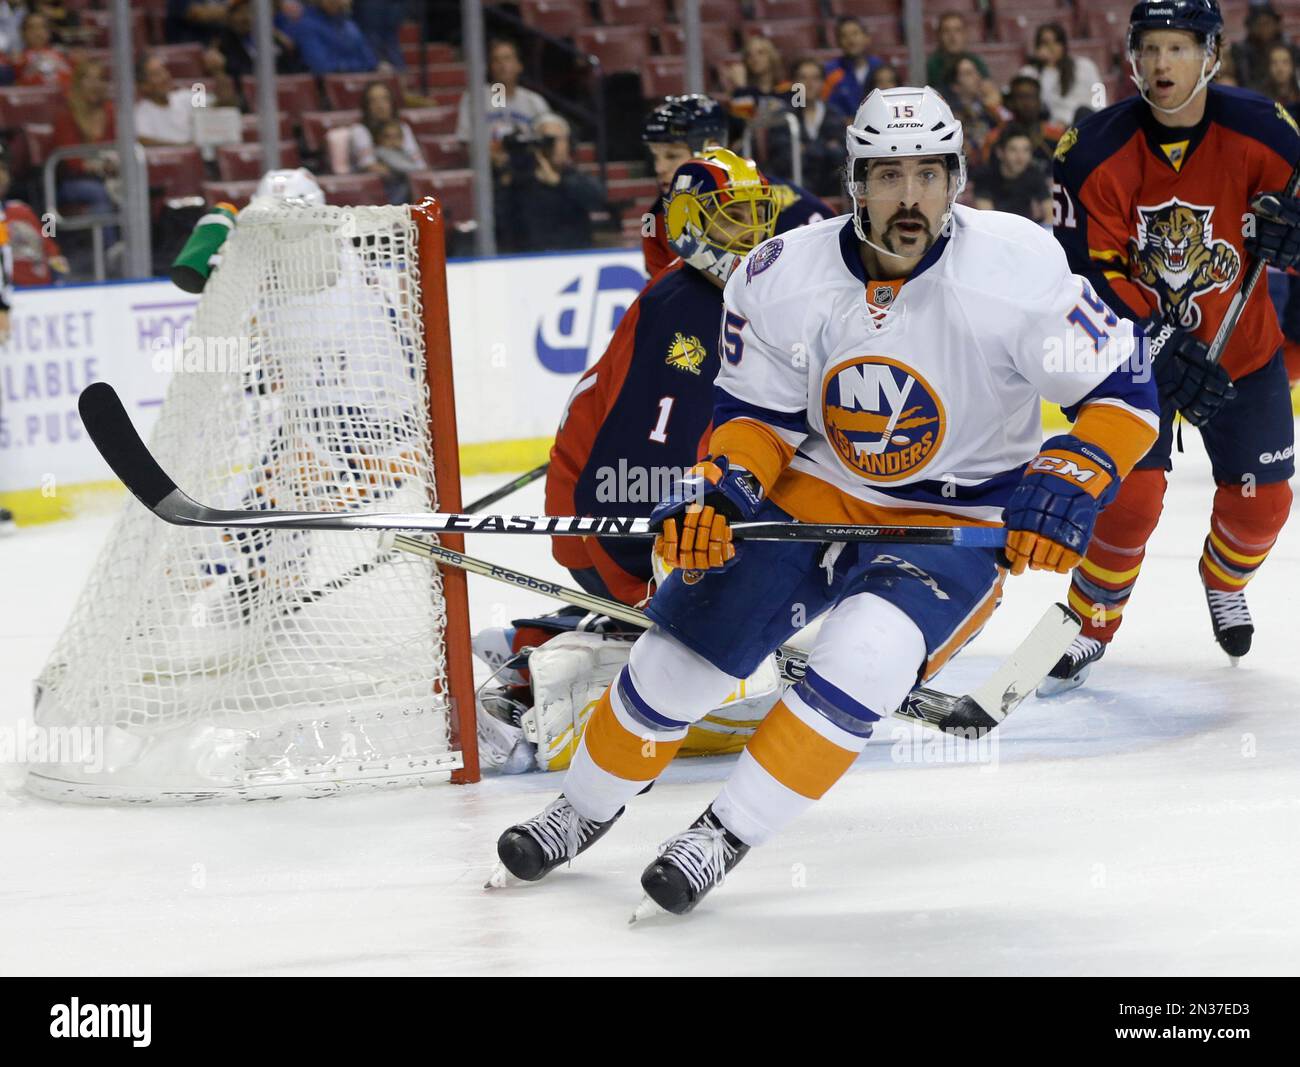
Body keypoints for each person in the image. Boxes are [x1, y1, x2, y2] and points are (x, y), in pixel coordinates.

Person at [490, 85, 1159, 915]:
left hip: (957, 512)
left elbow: (1124, 393)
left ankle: (722, 833)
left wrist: (1077, 471)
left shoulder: (1017, 269)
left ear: (956, 181)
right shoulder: (782, 273)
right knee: (675, 659)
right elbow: (755, 420)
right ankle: (580, 809)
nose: (909, 197)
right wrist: (723, 493)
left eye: (928, 174)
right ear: (854, 183)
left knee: (864, 656)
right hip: (815, 488)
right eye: (887, 175)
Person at [471, 148, 783, 773]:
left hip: (638, 498)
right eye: (730, 221)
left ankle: (530, 636)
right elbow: (628, 476)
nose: (750, 238)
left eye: (755, 217)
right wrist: (645, 592)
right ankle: (541, 661)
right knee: (696, 655)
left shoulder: (725, 296)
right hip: (600, 519)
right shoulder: (683, 315)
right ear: (691, 225)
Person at [1042, 0, 1300, 691]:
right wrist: (1157, 345)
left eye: (1178, 48)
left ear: (1211, 55)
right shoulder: (1091, 148)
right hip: (1130, 357)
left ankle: (1224, 580)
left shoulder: (1266, 132)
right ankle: (1087, 622)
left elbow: (1294, 223)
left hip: (1242, 350)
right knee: (1130, 500)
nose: (1161, 64)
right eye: (1149, 47)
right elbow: (1082, 276)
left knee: (1264, 504)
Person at [639, 94, 832, 278]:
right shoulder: (656, 220)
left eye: (672, 156)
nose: (659, 168)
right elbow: (665, 295)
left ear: (711, 147)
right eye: (655, 156)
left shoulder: (773, 198)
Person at [495, 114, 605, 252]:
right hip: (528, 259)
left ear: (568, 143)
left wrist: (559, 182)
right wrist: (508, 176)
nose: (550, 146)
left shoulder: (574, 176)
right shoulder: (520, 178)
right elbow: (499, 219)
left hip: (572, 256)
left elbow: (597, 200)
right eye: (545, 140)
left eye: (555, 140)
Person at [773, 57, 849, 197]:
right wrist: (825, 147)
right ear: (794, 83)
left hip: (830, 189)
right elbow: (784, 159)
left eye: (815, 78)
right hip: (794, 191)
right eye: (803, 78)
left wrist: (805, 149)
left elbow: (841, 156)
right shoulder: (784, 118)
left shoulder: (835, 115)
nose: (809, 84)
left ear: (822, 83)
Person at [455, 38, 550, 146]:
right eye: (496, 60)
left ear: (519, 65)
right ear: (490, 67)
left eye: (507, 58)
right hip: (486, 161)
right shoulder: (475, 97)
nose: (502, 64)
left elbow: (547, 137)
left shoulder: (534, 101)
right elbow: (464, 140)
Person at [345, 80, 425, 200]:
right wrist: (403, 170)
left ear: (392, 103)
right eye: (373, 100)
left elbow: (419, 164)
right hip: (375, 191)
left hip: (404, 183)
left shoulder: (403, 127)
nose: (380, 105)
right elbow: (370, 166)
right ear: (366, 106)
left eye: (384, 99)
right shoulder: (359, 130)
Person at [1024, 22, 1103, 128]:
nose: (1051, 47)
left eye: (1056, 42)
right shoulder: (1031, 73)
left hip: (1087, 121)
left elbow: (1099, 96)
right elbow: (1044, 104)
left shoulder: (1084, 66)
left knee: (1082, 111)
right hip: (1058, 128)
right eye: (1045, 43)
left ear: (1063, 45)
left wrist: (1103, 118)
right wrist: (1048, 67)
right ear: (1038, 48)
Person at [971, 124, 1054, 223]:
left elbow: (1050, 216)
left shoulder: (1035, 175)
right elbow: (986, 220)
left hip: (1027, 232)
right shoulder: (984, 177)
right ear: (1000, 152)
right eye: (1013, 150)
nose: (1020, 158)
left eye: (1026, 150)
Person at [988, 74, 1066, 165]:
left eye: (1031, 97)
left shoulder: (1058, 136)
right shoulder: (994, 138)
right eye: (1021, 97)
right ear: (1011, 103)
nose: (1027, 103)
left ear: (1039, 102)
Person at [943, 54, 1006, 166]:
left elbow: (1009, 127)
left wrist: (997, 107)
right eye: (968, 74)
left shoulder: (988, 107)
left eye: (976, 72)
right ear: (955, 86)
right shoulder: (948, 115)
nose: (977, 77)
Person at [1226, 3, 1300, 95]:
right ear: (1251, 26)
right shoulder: (1240, 50)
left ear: (1276, 24)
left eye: (1267, 23)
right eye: (1259, 24)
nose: (1264, 28)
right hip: (1256, 97)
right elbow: (1244, 82)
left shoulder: (1289, 48)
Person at [287, 0, 377, 75]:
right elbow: (322, 67)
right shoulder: (306, 25)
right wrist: (358, 66)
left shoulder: (350, 25)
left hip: (358, 83)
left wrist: (348, 66)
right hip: (323, 90)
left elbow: (370, 61)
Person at [822, 17, 883, 118]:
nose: (851, 40)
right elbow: (823, 106)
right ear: (838, 42)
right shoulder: (830, 71)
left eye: (855, 34)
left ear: (867, 38)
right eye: (844, 36)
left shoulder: (880, 68)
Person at [134, 53, 197, 147]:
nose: (165, 77)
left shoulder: (185, 97)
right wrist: (185, 148)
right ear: (144, 85)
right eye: (156, 74)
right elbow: (143, 141)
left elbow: (220, 103)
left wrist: (217, 72)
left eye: (164, 71)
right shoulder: (140, 113)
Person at [926, 10, 989, 90]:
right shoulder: (931, 65)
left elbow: (989, 89)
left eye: (957, 30)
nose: (953, 37)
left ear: (965, 34)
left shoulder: (975, 61)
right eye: (946, 31)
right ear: (938, 36)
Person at [14, 11, 71, 91]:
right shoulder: (18, 59)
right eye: (32, 27)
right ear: (23, 33)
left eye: (42, 27)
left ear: (49, 31)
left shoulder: (64, 55)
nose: (38, 32)